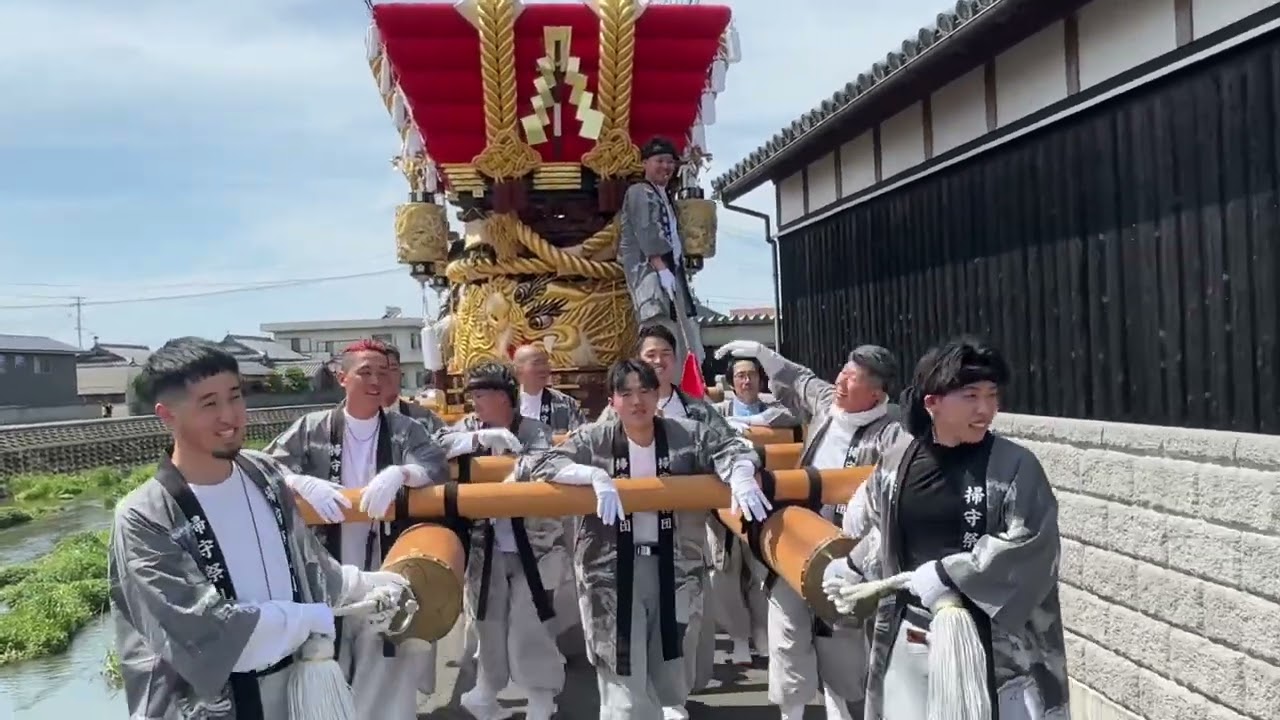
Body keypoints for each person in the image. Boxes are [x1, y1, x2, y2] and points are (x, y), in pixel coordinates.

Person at [108, 338, 411, 719]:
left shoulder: (262, 473)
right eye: (209, 404)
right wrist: (308, 618)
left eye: (234, 397)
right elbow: (207, 631)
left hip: (292, 692)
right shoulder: (145, 515)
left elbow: (311, 568)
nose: (230, 415)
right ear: (167, 415)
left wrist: (374, 584)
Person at [829, 337, 1069, 720]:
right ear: (932, 402)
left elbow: (1031, 545)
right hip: (910, 633)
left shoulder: (1015, 466)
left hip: (990, 648)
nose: (986, 409)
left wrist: (949, 574)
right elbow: (883, 535)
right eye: (971, 396)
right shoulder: (897, 460)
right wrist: (853, 567)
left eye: (992, 395)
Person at [524, 359, 772, 720]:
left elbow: (734, 448)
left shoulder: (687, 433)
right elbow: (542, 463)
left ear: (658, 394)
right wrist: (592, 475)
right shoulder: (597, 438)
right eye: (626, 393)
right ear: (612, 401)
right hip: (609, 573)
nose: (636, 401)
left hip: (675, 568)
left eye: (644, 391)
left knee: (667, 669)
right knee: (621, 674)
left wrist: (742, 474)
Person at [713, 339, 905, 720]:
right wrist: (762, 353)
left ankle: (840, 708)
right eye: (844, 372)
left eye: (853, 378)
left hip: (847, 552)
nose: (841, 381)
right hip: (795, 540)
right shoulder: (827, 406)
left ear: (876, 392)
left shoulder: (892, 435)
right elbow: (801, 379)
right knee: (787, 634)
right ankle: (793, 713)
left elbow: (895, 491)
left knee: (843, 644)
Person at [264, 338, 450, 720]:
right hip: (325, 564)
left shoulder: (404, 428)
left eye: (383, 372)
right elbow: (267, 466)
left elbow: (435, 464)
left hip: (386, 560)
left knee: (387, 658)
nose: (376, 380)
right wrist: (300, 483)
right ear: (341, 376)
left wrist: (402, 473)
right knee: (327, 658)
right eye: (365, 372)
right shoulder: (312, 427)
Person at [601, 324, 747, 688]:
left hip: (685, 534)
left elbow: (730, 447)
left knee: (686, 618)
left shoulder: (697, 413)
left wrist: (742, 469)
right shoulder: (613, 417)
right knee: (631, 626)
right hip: (627, 536)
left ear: (677, 361)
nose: (659, 361)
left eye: (666, 354)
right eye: (650, 355)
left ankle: (678, 693)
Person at [434, 362, 565, 720]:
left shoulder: (535, 429)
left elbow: (541, 463)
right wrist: (476, 440)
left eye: (482, 394)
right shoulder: (468, 428)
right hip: (484, 545)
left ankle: (540, 695)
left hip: (534, 545)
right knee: (486, 623)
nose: (475, 401)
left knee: (530, 624)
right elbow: (434, 449)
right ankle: (487, 690)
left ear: (505, 396)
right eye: (472, 394)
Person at [618, 136, 704, 383]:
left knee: (684, 338)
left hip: (671, 275)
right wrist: (660, 267)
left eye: (670, 162)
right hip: (651, 278)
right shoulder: (639, 192)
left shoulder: (664, 195)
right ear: (645, 163)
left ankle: (683, 389)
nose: (666, 167)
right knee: (660, 337)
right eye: (659, 161)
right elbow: (647, 231)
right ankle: (661, 389)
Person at [512, 343, 587, 432]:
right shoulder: (506, 402)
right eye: (536, 363)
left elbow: (582, 438)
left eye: (545, 363)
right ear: (518, 369)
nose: (543, 368)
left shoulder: (565, 403)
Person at [713, 356, 797, 430]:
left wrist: (739, 420)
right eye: (741, 376)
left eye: (752, 375)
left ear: (760, 381)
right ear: (731, 383)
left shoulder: (773, 408)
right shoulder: (720, 411)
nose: (747, 381)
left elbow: (796, 416)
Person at [383, 344, 446, 433]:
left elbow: (443, 438)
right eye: (382, 369)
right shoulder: (361, 421)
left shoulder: (422, 416)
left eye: (393, 368)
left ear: (401, 374)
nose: (388, 375)